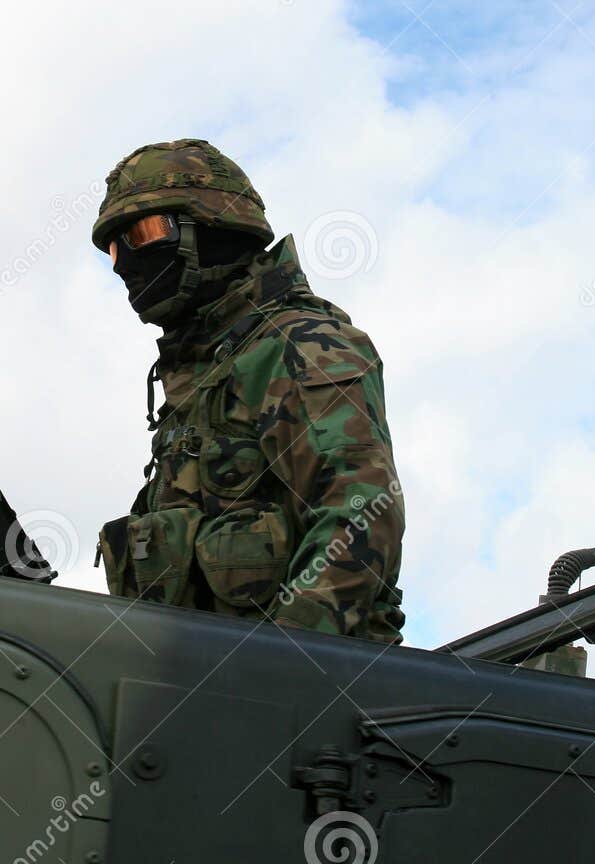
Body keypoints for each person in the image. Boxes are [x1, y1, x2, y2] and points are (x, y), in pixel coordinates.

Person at [92, 139, 405, 643]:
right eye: (112, 248)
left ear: (216, 227)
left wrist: (285, 666)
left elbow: (361, 513)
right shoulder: (204, 372)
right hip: (199, 681)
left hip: (301, 693)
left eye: (142, 233)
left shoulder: (300, 344)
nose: (122, 263)